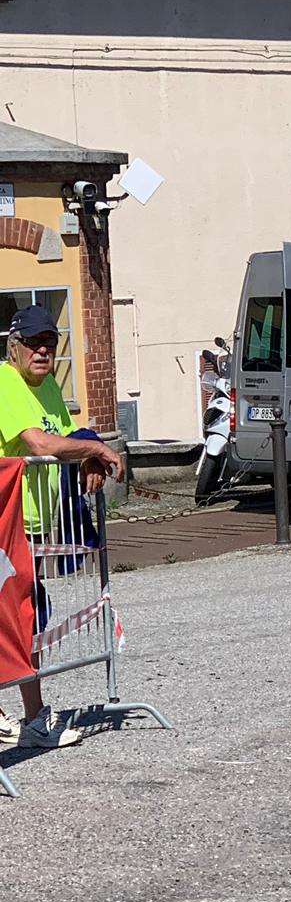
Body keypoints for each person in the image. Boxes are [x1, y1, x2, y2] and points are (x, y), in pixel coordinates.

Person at [0, 305, 125, 747]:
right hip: (3, 524)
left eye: (50, 343)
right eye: (33, 342)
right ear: (13, 347)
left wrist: (90, 451)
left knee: (28, 614)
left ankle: (20, 715)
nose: (42, 350)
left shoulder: (49, 386)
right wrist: (99, 451)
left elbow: (68, 436)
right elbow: (40, 443)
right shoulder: (5, 381)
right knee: (25, 615)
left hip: (29, 526)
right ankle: (31, 720)